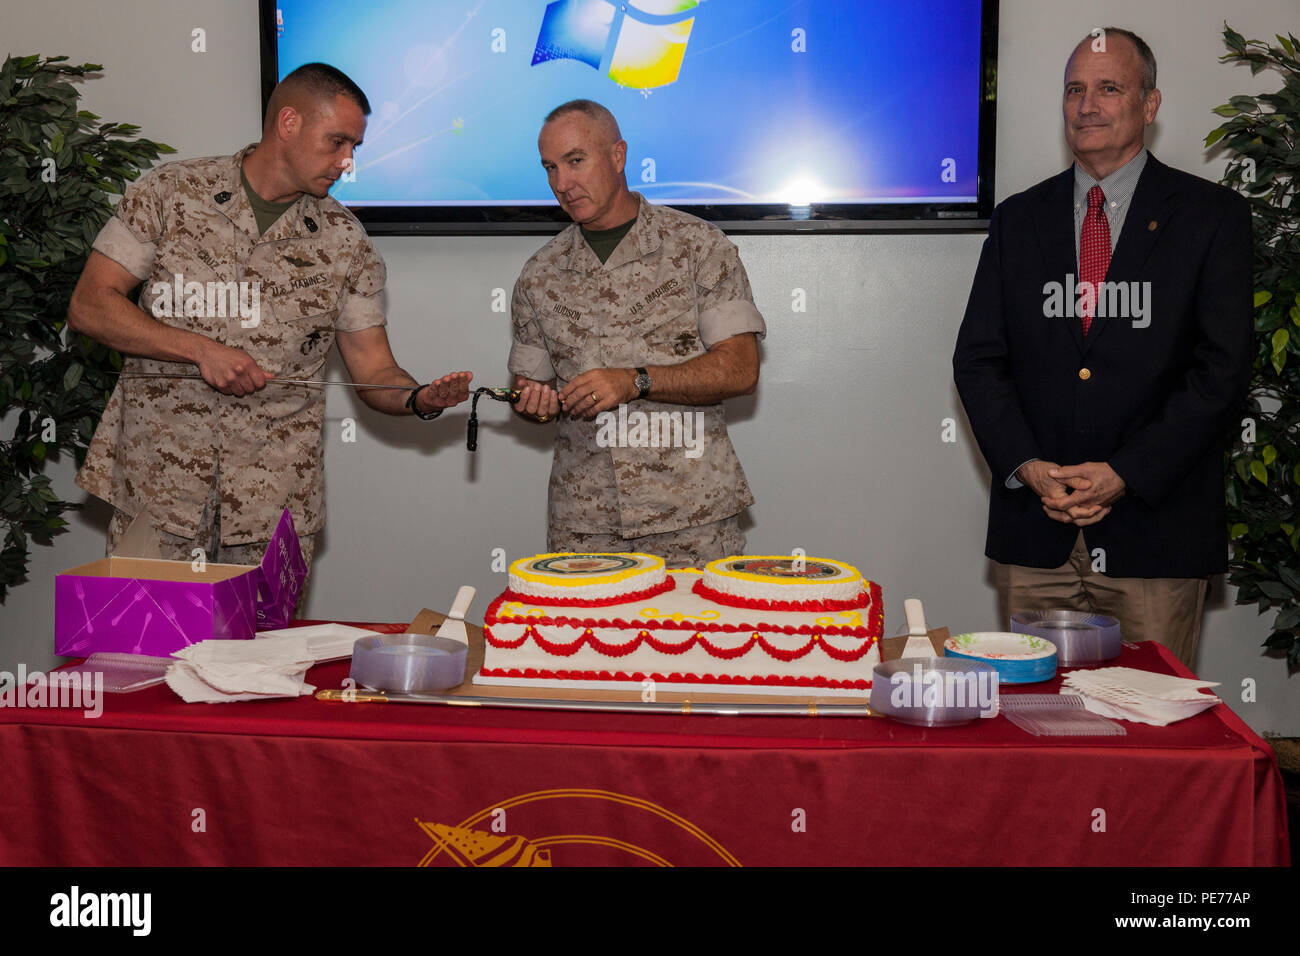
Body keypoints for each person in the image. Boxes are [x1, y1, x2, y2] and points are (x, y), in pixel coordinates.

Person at [69, 63, 472, 579]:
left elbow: (373, 369)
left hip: (271, 513)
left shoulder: (345, 243)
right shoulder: (170, 194)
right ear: (289, 124)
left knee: (265, 661)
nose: (348, 162)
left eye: (356, 147)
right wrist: (199, 350)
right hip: (157, 498)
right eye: (338, 142)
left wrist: (419, 399)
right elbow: (89, 305)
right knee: (144, 656)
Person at [952, 28, 1253, 668]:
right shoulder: (1017, 219)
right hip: (1036, 531)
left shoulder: (1212, 217)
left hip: (1156, 533)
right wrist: (1028, 465)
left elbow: (1221, 372)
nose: (1087, 105)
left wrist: (1126, 474)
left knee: (1150, 733)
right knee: (1040, 730)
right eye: (1074, 90)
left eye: (1108, 88)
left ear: (1149, 105)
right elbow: (978, 359)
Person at [509, 100, 765, 567]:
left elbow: (742, 369)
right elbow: (531, 388)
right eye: (550, 168)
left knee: (701, 641)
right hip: (584, 525)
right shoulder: (538, 275)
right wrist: (534, 402)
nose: (562, 184)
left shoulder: (697, 247)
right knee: (583, 644)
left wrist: (636, 380)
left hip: (691, 517)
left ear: (618, 155)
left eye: (575, 161)